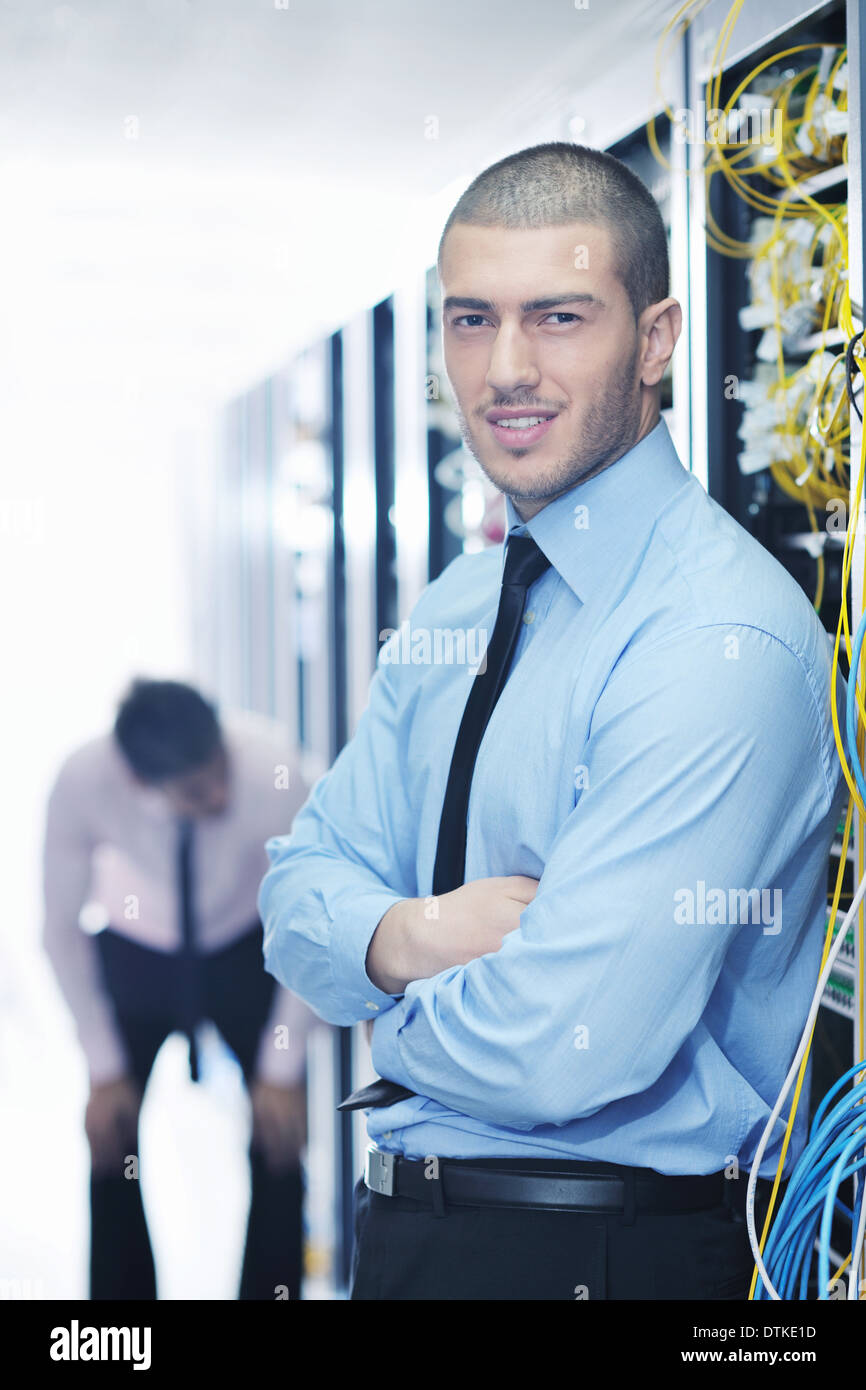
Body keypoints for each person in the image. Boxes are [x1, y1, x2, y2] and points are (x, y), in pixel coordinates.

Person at [257, 142, 846, 1300]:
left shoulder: (717, 639)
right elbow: (292, 892)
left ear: (658, 338)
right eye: (470, 320)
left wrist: (383, 1021)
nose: (505, 367)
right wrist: (416, 937)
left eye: (558, 316)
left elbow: (560, 1044)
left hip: (605, 1256)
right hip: (414, 1241)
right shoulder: (461, 601)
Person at [42, 678, 318, 1300]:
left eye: (220, 770)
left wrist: (280, 1069)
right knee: (110, 1137)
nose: (220, 793)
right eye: (197, 789)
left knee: (279, 1137)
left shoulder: (272, 768)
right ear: (142, 784)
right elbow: (58, 929)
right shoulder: (84, 780)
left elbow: (309, 923)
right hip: (137, 945)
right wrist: (104, 1067)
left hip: (245, 942)